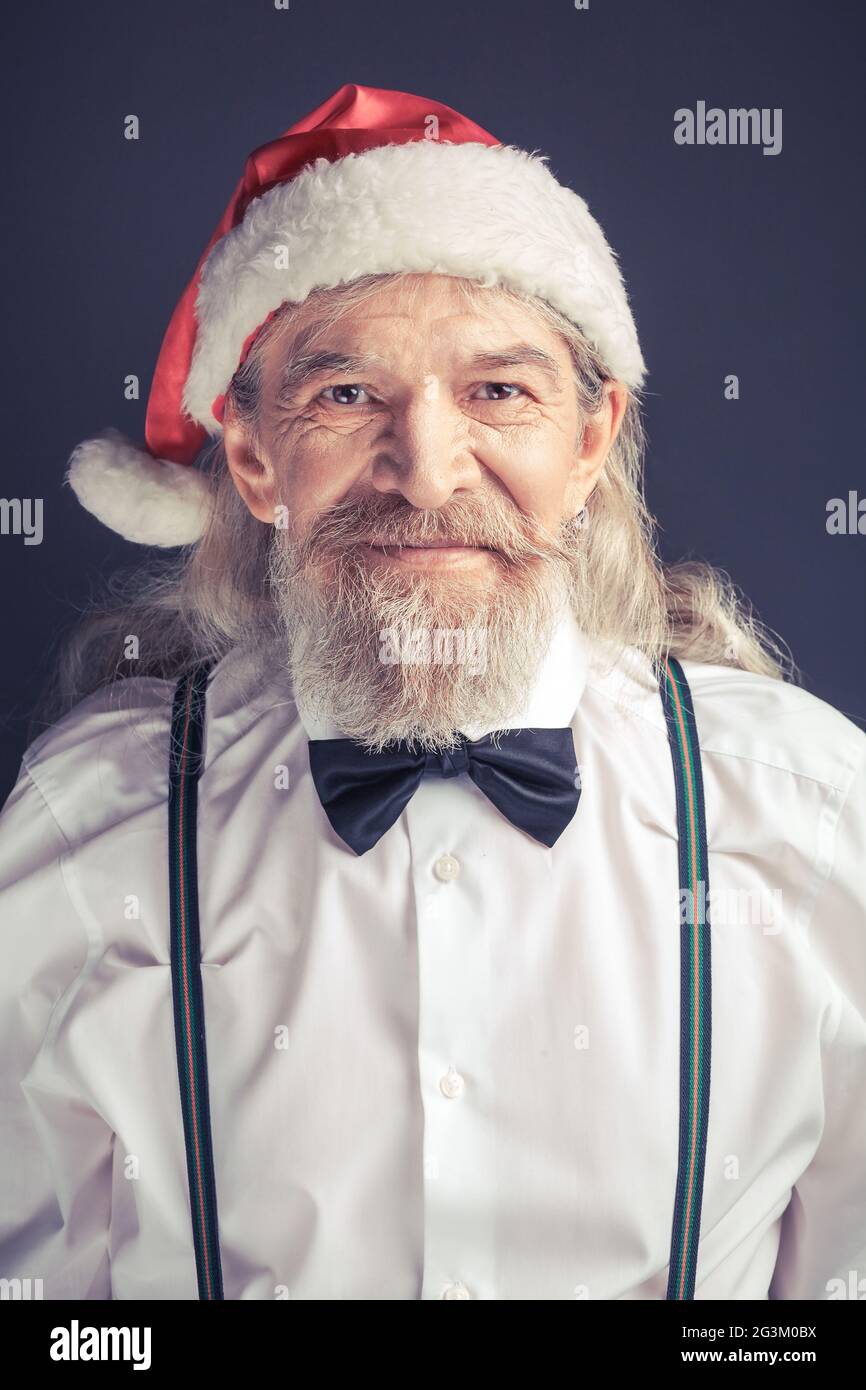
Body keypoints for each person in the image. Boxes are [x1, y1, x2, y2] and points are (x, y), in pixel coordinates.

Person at [0, 83, 863, 1302]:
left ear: (586, 445)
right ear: (251, 457)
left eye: (498, 392)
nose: (424, 472)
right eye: (348, 396)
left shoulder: (809, 816)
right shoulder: (88, 831)